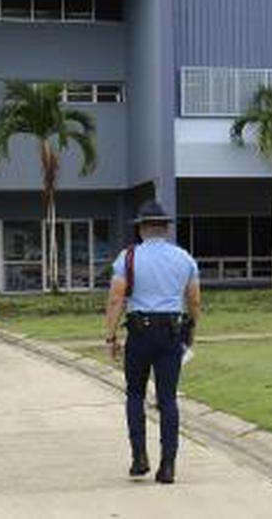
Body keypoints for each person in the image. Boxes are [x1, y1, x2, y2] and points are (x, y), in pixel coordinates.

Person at [103, 200, 202, 485]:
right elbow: (194, 299)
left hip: (140, 331)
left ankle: (139, 458)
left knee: (135, 394)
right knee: (168, 399)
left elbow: (116, 298)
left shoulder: (128, 257)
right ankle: (168, 466)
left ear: (142, 228)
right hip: (172, 330)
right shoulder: (184, 258)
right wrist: (191, 328)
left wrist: (111, 335)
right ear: (165, 228)